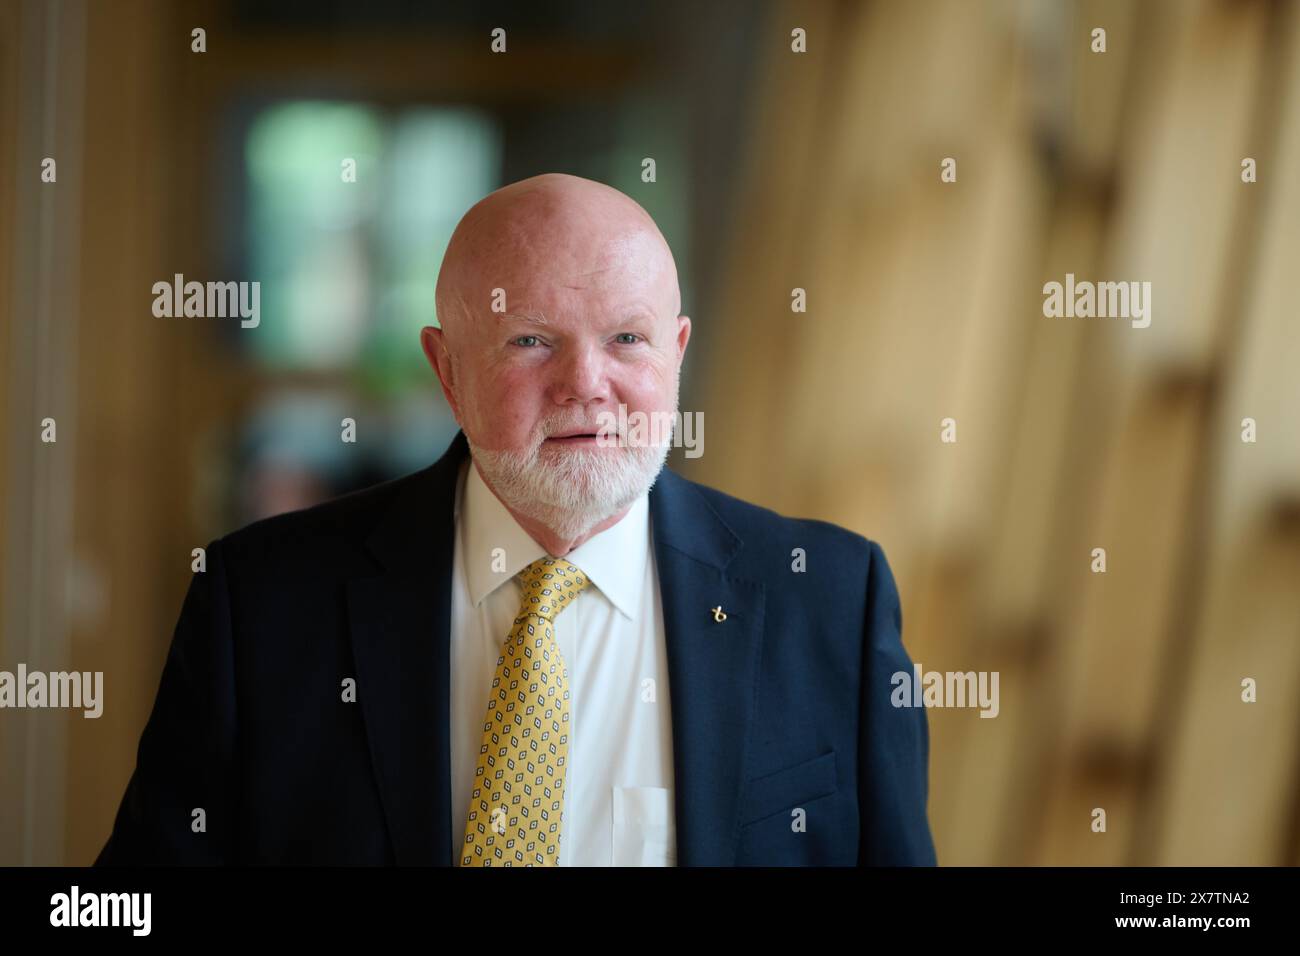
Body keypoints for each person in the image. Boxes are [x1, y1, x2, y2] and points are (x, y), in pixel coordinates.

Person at [96, 173, 936, 866]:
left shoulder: (829, 599)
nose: (587, 384)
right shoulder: (263, 602)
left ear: (677, 351)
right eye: (532, 340)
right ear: (447, 369)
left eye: (627, 339)